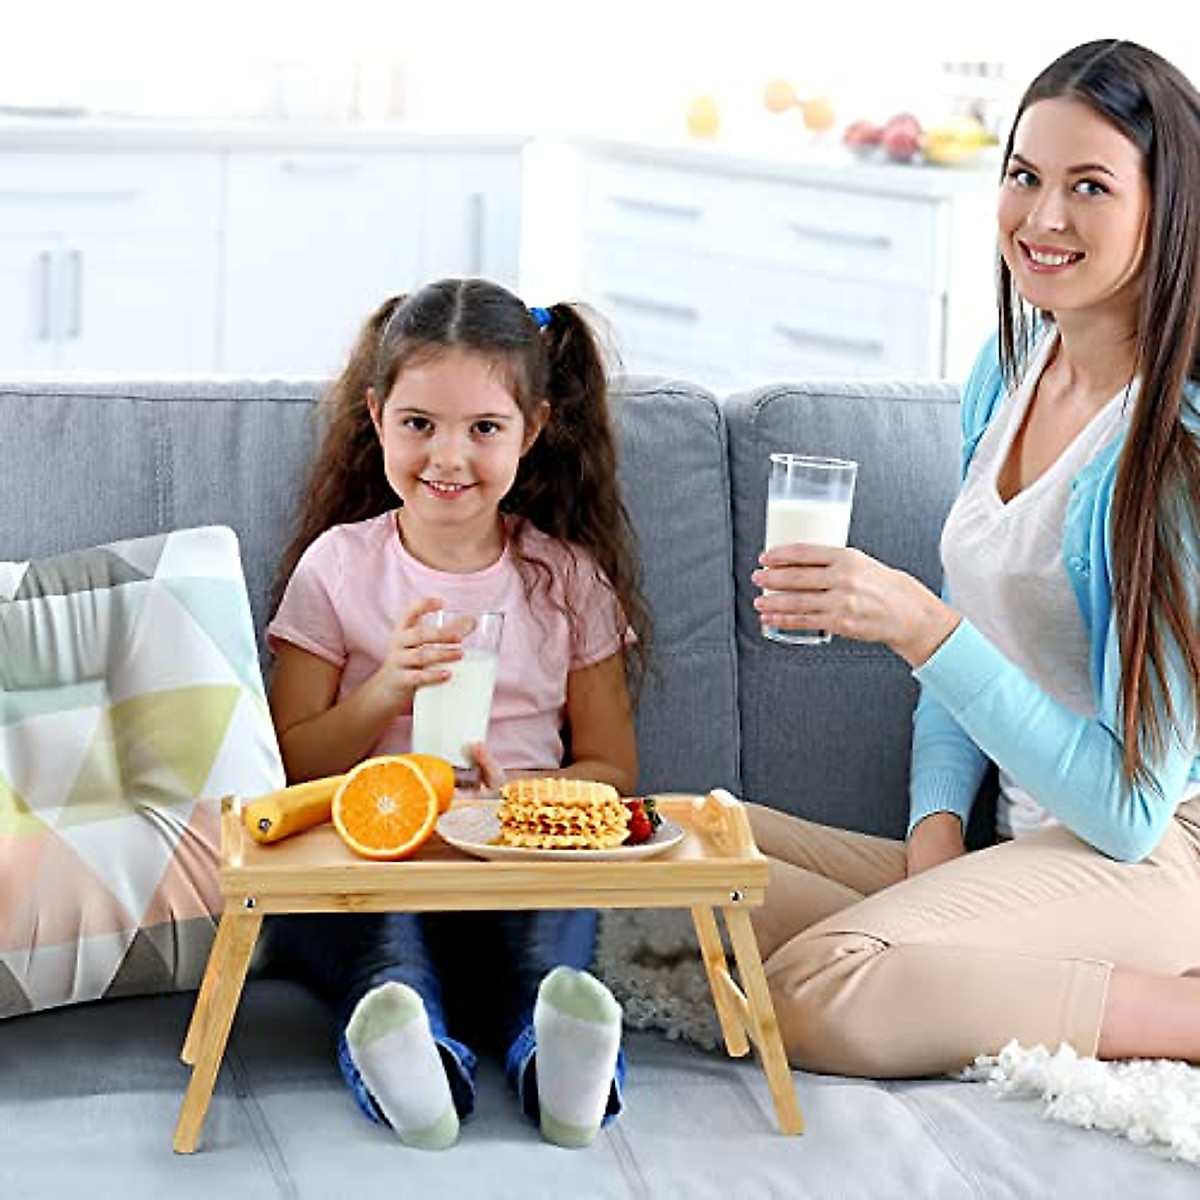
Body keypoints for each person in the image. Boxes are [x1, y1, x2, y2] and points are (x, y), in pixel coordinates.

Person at [748, 39, 1200, 1078]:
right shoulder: (1008, 372)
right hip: (1030, 854)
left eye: (1090, 186)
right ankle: (956, 962)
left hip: (1158, 854)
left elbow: (1129, 812)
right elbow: (971, 655)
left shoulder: (1172, 457)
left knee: (815, 987)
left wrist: (921, 626)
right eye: (1025, 176)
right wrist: (935, 841)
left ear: (1168, 208)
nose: (1043, 217)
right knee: (684, 855)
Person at [263, 278, 650, 1147]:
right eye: (419, 424)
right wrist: (385, 690)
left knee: (543, 955)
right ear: (376, 416)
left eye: (484, 429)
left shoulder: (567, 580)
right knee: (387, 951)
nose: (448, 456)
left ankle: (562, 1067)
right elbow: (287, 766)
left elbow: (614, 768)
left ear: (532, 430)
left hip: (509, 866)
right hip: (369, 862)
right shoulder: (338, 568)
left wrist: (517, 803)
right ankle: (415, 1062)